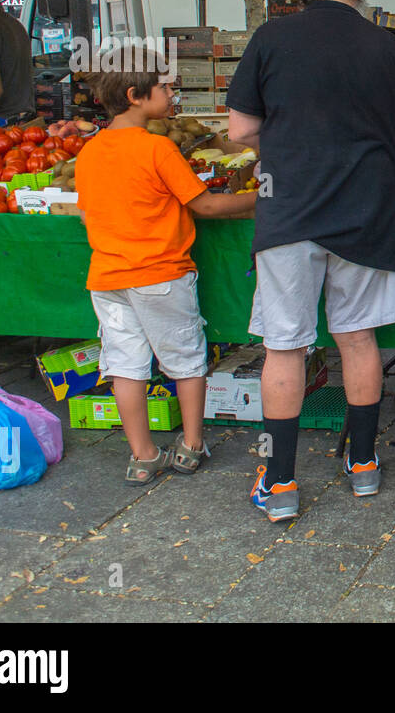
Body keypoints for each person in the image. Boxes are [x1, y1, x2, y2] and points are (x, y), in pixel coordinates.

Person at [227, 0, 395, 523]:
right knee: (357, 339)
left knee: (285, 345)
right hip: (366, 216)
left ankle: (279, 485)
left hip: (289, 212)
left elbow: (240, 129)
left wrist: (287, 147)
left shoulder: (270, 38)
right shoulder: (386, 46)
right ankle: (365, 466)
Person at [76, 46, 257, 485]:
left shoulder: (90, 151)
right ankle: (192, 445)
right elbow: (207, 205)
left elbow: (87, 214)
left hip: (108, 278)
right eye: (165, 85)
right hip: (160, 274)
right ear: (137, 94)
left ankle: (142, 455)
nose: (173, 92)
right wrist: (266, 197)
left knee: (125, 365)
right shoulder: (157, 150)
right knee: (186, 361)